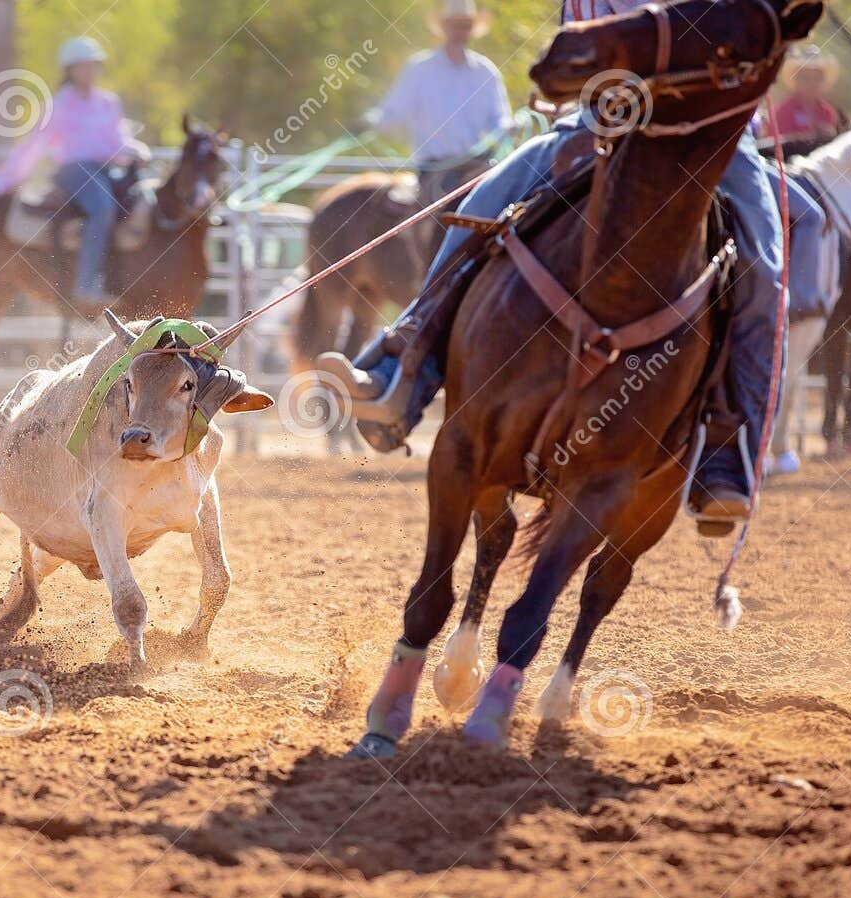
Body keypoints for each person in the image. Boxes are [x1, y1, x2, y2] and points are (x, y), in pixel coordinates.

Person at [323, 0, 820, 536]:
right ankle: (404, 373)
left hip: (711, 130)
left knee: (765, 274)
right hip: (597, 119)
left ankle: (728, 451)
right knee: (476, 211)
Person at [0, 37, 150, 313]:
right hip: (75, 170)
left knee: (142, 201)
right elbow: (35, 144)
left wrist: (137, 151)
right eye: (83, 66)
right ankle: (85, 286)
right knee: (101, 208)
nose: (89, 71)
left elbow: (117, 140)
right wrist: (5, 180)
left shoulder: (108, 102)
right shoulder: (60, 104)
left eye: (93, 65)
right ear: (70, 70)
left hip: (107, 169)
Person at [364, 0, 511, 203]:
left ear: (471, 29)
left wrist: (507, 128)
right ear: (445, 28)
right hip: (432, 170)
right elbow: (394, 111)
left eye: (465, 25)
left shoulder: (486, 72)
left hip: (473, 169)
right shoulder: (420, 69)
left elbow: (500, 119)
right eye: (455, 25)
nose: (460, 31)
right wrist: (370, 122)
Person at [760, 46, 849, 148]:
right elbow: (775, 146)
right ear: (796, 81)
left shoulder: (828, 112)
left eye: (816, 78)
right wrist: (809, 137)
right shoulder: (781, 111)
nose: (812, 83)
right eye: (806, 78)